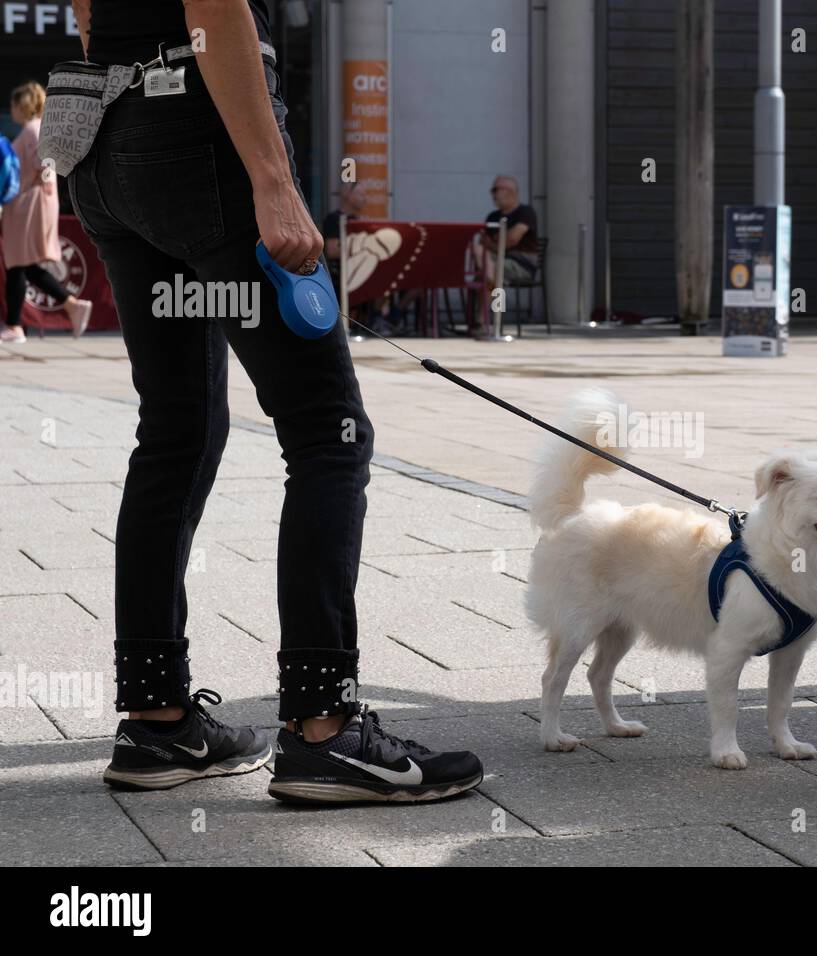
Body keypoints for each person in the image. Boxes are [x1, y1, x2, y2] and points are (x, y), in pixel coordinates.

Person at [65, 0, 481, 802]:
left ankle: (157, 723)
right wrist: (273, 180)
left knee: (177, 428)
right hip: (198, 138)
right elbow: (214, 7)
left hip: (108, 145)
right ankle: (325, 729)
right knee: (330, 433)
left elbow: (87, 10)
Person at [2, 82, 93, 343]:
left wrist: (41, 185)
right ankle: (71, 306)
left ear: (22, 106)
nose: (12, 109)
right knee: (25, 266)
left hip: (27, 206)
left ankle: (15, 326)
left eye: (14, 104)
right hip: (32, 203)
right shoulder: (38, 129)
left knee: (18, 265)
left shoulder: (31, 130)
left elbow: (45, 166)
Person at [473, 174, 539, 290]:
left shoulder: (526, 212)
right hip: (497, 262)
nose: (492, 195)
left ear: (510, 191)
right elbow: (483, 244)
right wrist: (497, 243)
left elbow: (511, 240)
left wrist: (492, 244)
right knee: (478, 251)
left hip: (521, 265)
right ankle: (489, 293)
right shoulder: (492, 216)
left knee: (484, 274)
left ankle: (489, 302)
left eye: (495, 190)